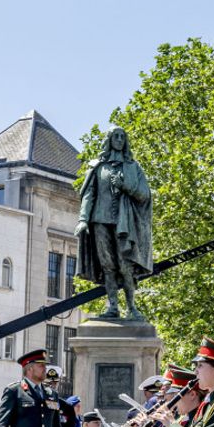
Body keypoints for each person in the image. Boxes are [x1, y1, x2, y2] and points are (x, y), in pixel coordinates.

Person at [76, 126, 153, 320]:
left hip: (124, 224)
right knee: (107, 265)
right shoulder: (98, 167)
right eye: (115, 136)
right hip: (100, 221)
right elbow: (89, 195)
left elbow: (144, 195)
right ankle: (112, 307)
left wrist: (125, 186)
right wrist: (83, 219)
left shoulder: (133, 167)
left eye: (122, 136)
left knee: (125, 266)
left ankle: (131, 307)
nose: (119, 139)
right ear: (109, 140)